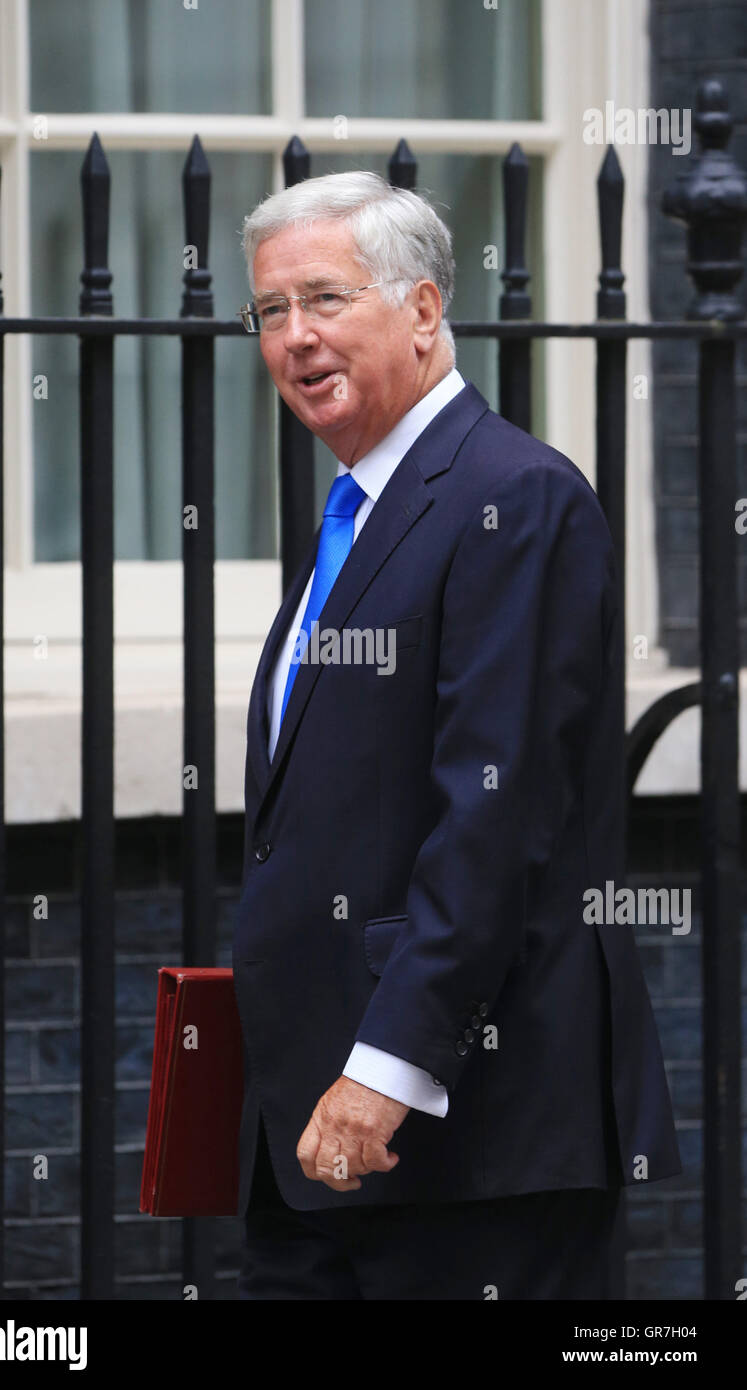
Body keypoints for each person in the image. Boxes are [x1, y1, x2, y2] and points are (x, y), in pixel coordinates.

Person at [230, 170, 681, 1300]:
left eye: (325, 299)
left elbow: (496, 809)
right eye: (271, 311)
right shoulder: (358, 511)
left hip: (464, 1135)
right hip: (318, 1136)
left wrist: (387, 1069)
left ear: (425, 310)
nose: (295, 337)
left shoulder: (511, 496)